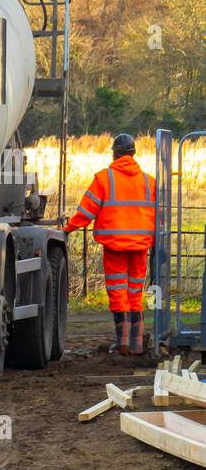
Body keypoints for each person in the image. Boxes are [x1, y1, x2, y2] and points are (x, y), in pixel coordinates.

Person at [63, 133, 155, 355]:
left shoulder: (104, 179)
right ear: (133, 154)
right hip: (141, 247)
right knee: (135, 293)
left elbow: (86, 211)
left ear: (114, 153)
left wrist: (67, 229)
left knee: (118, 293)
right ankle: (137, 345)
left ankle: (122, 343)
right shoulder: (149, 182)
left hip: (114, 247)